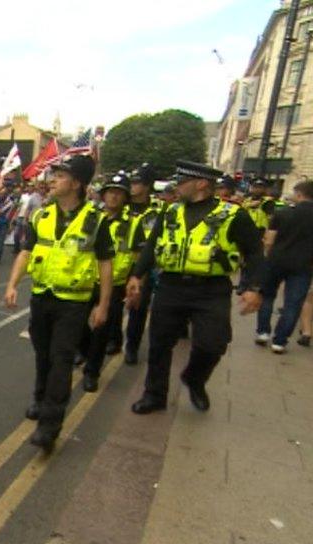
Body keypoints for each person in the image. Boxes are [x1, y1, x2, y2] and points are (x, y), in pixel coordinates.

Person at [128, 161, 264, 415]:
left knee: (213, 344)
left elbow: (255, 251)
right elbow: (152, 245)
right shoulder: (170, 212)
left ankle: (194, 378)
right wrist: (137, 276)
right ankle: (154, 394)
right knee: (159, 344)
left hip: (211, 290)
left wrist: (254, 287)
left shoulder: (233, 215)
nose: (177, 187)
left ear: (201, 184)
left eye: (182, 182)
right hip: (171, 285)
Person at [4, 155, 114, 452]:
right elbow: (26, 252)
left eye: (60, 176)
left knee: (61, 359)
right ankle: (40, 399)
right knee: (43, 355)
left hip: (73, 303)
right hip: (42, 297)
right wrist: (12, 284)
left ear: (76, 183)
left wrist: (103, 305)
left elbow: (105, 264)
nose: (52, 180)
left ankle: (49, 426)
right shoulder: (41, 216)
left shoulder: (96, 221)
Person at [77, 172, 143, 391]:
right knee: (77, 323)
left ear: (125, 198)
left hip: (114, 285)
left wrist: (135, 284)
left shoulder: (133, 223)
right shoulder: (90, 217)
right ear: (103, 195)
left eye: (119, 193)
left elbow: (138, 257)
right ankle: (85, 350)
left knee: (101, 330)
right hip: (86, 280)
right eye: (110, 192)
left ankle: (92, 372)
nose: (113, 197)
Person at [255, 180, 313, 353]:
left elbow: (269, 240)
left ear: (300, 194)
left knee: (267, 296)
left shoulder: (282, 213)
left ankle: (263, 332)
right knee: (293, 304)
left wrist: (268, 256)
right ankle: (279, 341)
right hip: (304, 265)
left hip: (277, 260)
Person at [122, 163, 164, 365]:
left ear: (147, 185)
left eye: (137, 182)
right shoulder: (120, 204)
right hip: (118, 263)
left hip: (144, 266)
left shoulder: (158, 210)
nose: (132, 186)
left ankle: (132, 346)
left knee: (138, 308)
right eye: (131, 182)